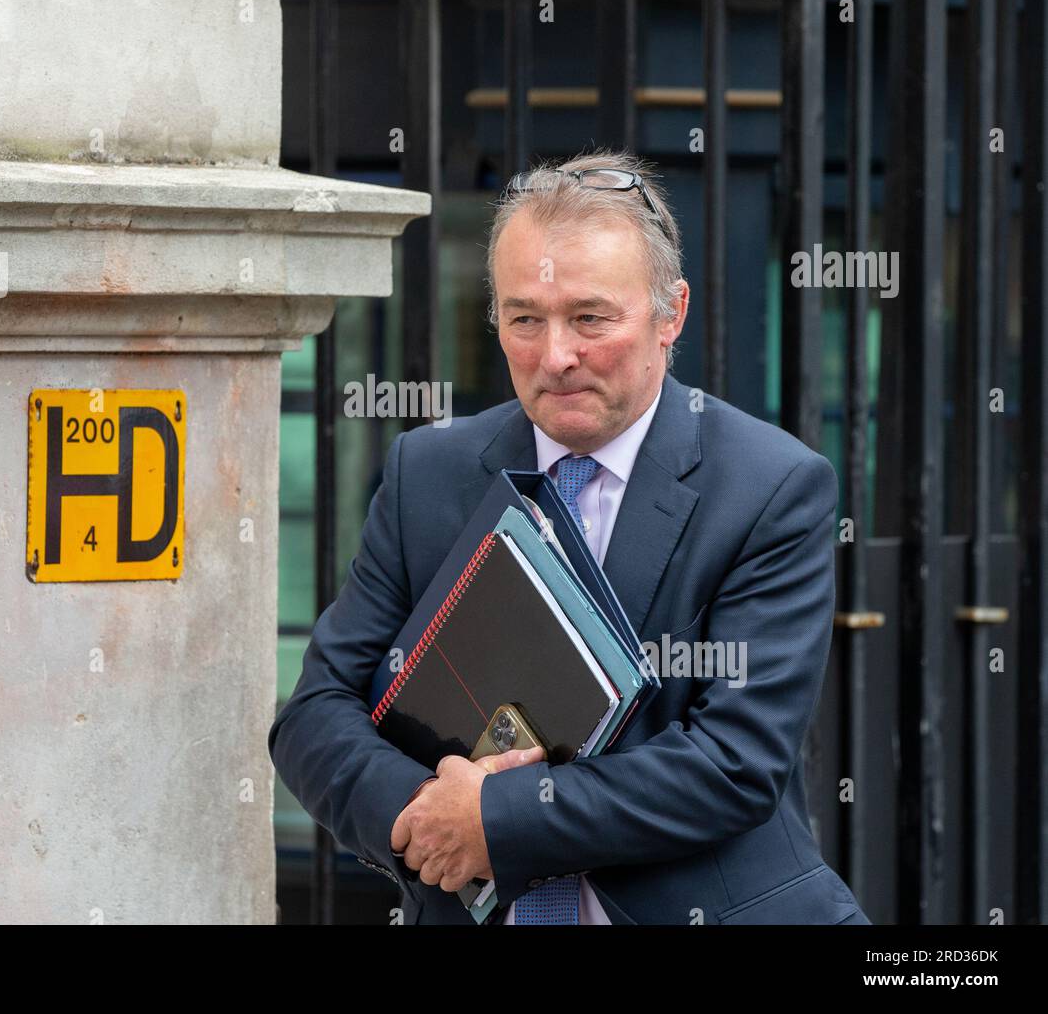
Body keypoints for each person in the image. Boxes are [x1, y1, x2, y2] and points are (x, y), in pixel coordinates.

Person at [267, 148, 870, 925]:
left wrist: (498, 820)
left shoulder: (771, 487)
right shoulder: (429, 471)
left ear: (671, 315)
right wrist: (425, 812)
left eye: (590, 318)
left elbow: (734, 764)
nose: (556, 357)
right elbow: (315, 714)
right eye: (525, 319)